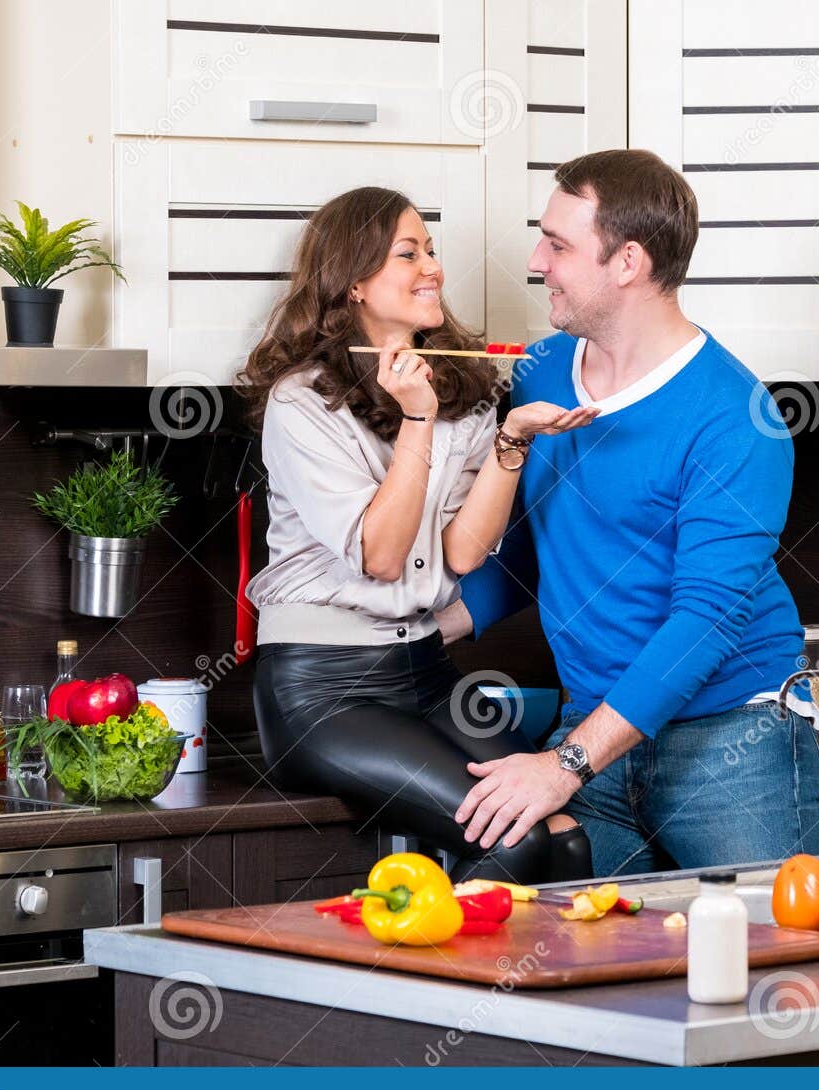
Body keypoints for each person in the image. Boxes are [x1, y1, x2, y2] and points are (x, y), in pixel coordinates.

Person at [444, 149, 819, 877]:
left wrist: (564, 764)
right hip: (593, 734)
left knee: (766, 961)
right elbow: (535, 543)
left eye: (557, 245)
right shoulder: (544, 368)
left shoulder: (735, 418)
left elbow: (705, 620)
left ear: (627, 261)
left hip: (730, 743)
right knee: (506, 932)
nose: (535, 261)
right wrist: (425, 629)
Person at [238, 186, 599, 884]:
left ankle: (543, 991)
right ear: (354, 283)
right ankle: (445, 994)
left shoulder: (464, 392)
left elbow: (463, 552)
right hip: (320, 689)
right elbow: (381, 554)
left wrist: (512, 439)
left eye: (430, 249)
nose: (432, 265)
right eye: (409, 253)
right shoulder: (301, 403)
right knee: (513, 840)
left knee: (566, 835)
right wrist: (416, 420)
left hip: (425, 672)